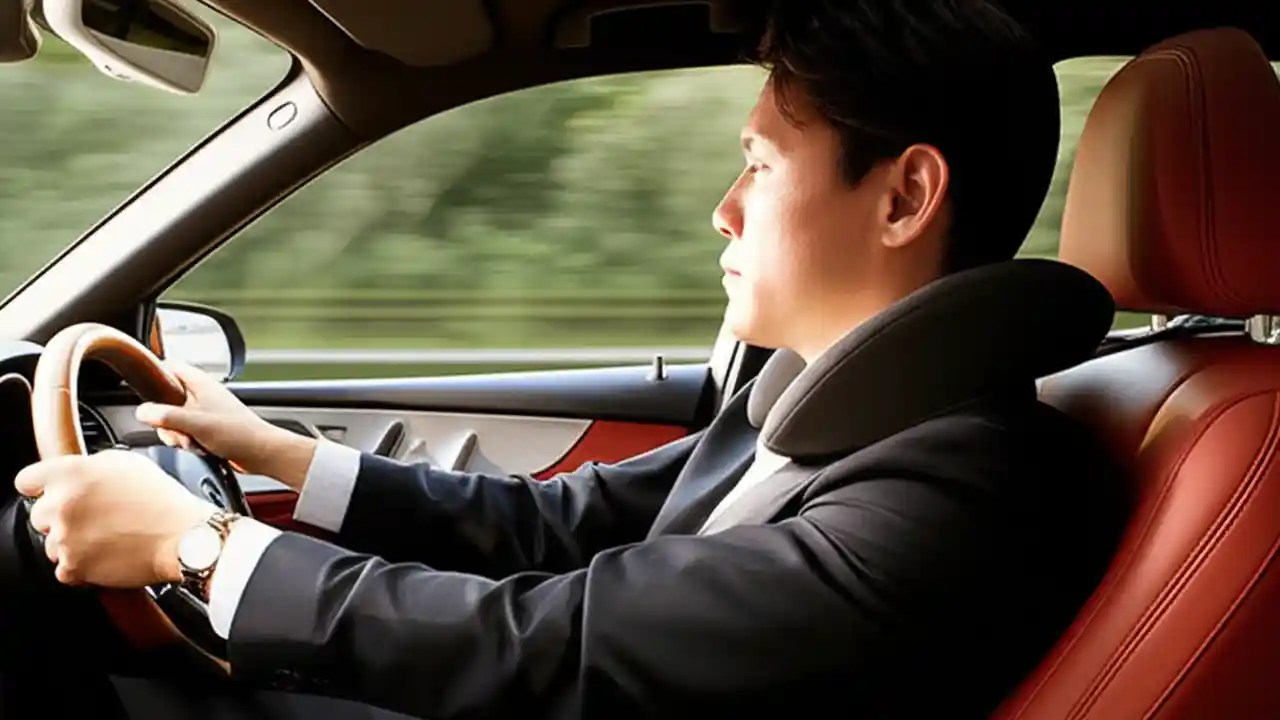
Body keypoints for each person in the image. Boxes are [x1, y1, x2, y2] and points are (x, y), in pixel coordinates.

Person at [14, 1, 1125, 718]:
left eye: (759, 166)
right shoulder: (834, 405)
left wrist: (204, 546)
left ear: (903, 197)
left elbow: (558, 645)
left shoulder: (961, 488)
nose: (720, 212)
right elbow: (571, 527)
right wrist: (276, 455)